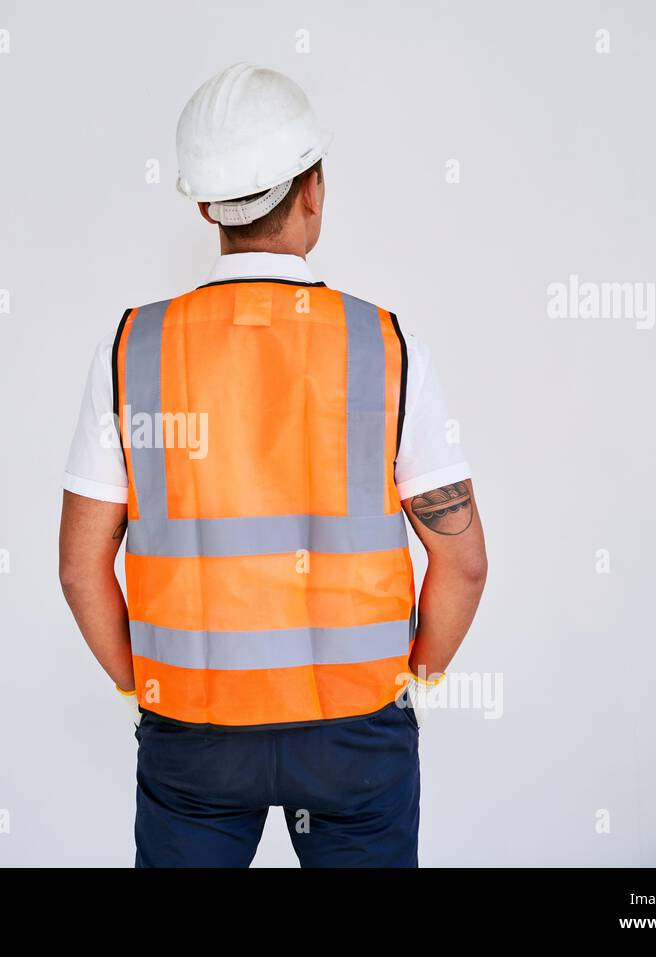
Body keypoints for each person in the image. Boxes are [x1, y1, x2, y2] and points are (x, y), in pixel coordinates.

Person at [58, 63, 487, 867]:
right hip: (357, 734)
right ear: (314, 191)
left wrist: (138, 685)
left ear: (205, 206)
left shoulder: (131, 349)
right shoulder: (387, 346)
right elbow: (462, 564)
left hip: (193, 733)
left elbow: (82, 569)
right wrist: (414, 681)